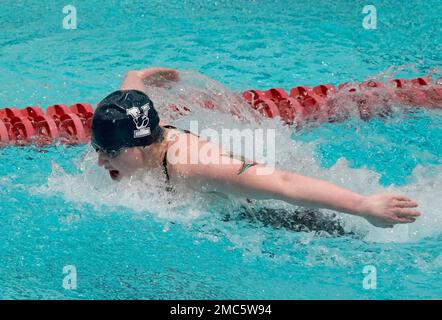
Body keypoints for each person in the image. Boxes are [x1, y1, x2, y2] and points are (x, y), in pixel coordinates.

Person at [91, 67, 422, 229]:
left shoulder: (193, 164)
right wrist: (142, 75)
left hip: (277, 211)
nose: (101, 161)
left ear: (144, 143)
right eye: (98, 149)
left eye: (111, 153)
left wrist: (364, 205)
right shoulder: (126, 123)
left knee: (337, 233)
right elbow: (131, 85)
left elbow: (283, 184)